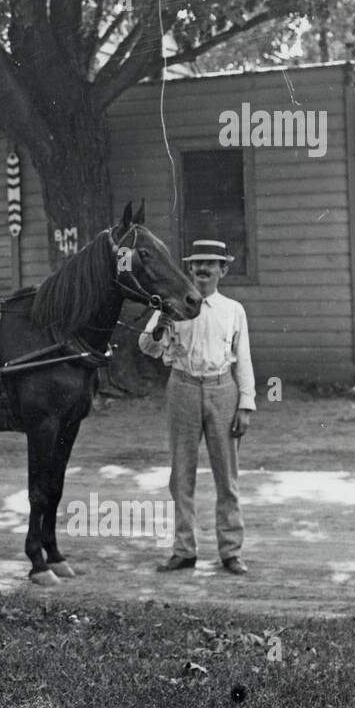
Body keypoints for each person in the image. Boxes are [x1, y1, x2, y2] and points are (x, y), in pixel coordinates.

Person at [138, 239, 255, 575]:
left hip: (222, 389)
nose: (203, 270)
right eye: (197, 264)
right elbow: (146, 346)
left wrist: (245, 404)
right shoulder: (173, 306)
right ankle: (184, 549)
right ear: (189, 269)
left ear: (223, 270)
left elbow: (243, 359)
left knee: (227, 476)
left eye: (211, 264)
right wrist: (161, 319)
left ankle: (231, 551)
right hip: (183, 387)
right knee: (181, 474)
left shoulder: (233, 310)